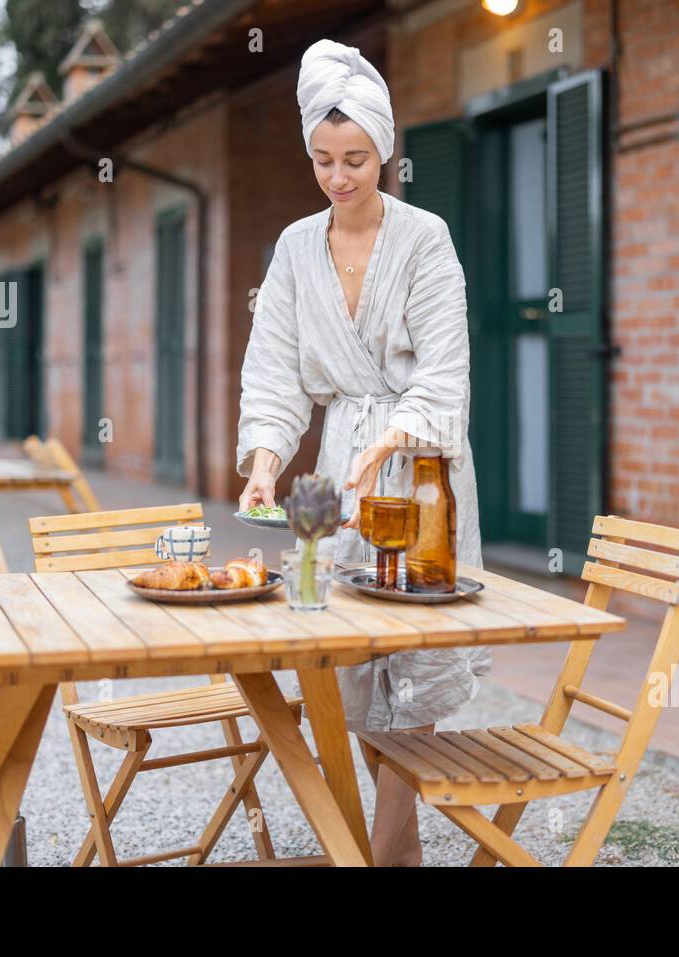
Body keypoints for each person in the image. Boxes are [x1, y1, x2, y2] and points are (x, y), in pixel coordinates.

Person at [236, 38, 488, 866]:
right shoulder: (294, 249)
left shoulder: (426, 240)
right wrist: (267, 460)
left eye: (356, 158)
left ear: (385, 148)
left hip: (420, 474)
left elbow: (445, 374)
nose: (339, 177)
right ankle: (395, 856)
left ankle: (377, 858)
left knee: (411, 666)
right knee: (346, 664)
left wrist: (390, 437)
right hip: (340, 470)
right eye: (322, 160)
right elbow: (274, 370)